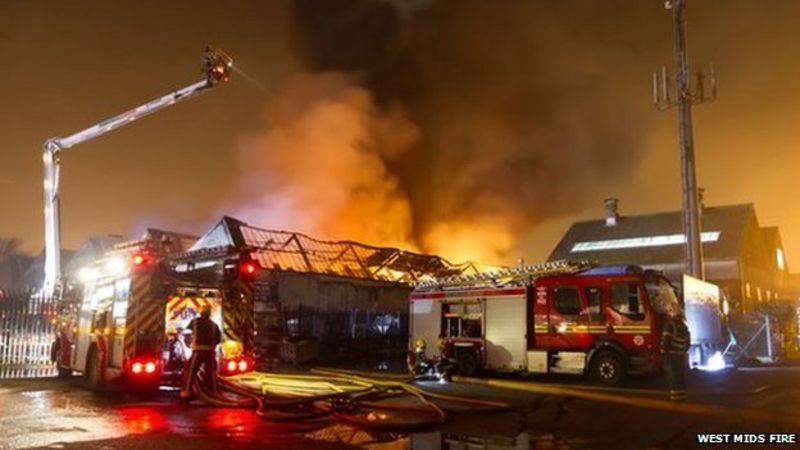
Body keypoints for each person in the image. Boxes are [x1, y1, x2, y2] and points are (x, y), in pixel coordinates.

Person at [180, 307, 221, 400]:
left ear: (201, 313)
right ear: (209, 314)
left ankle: (187, 392)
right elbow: (218, 339)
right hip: (210, 352)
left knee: (191, 371)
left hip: (197, 351)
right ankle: (213, 392)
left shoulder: (194, 322)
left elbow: (186, 332)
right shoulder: (214, 325)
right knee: (211, 373)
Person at [661, 304, 691, 401]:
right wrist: (682, 351)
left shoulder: (670, 325)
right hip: (680, 355)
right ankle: (682, 397)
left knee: (673, 377)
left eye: (669, 311)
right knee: (680, 376)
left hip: (671, 355)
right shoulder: (684, 325)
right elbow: (688, 343)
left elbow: (666, 341)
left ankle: (675, 399)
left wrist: (663, 351)